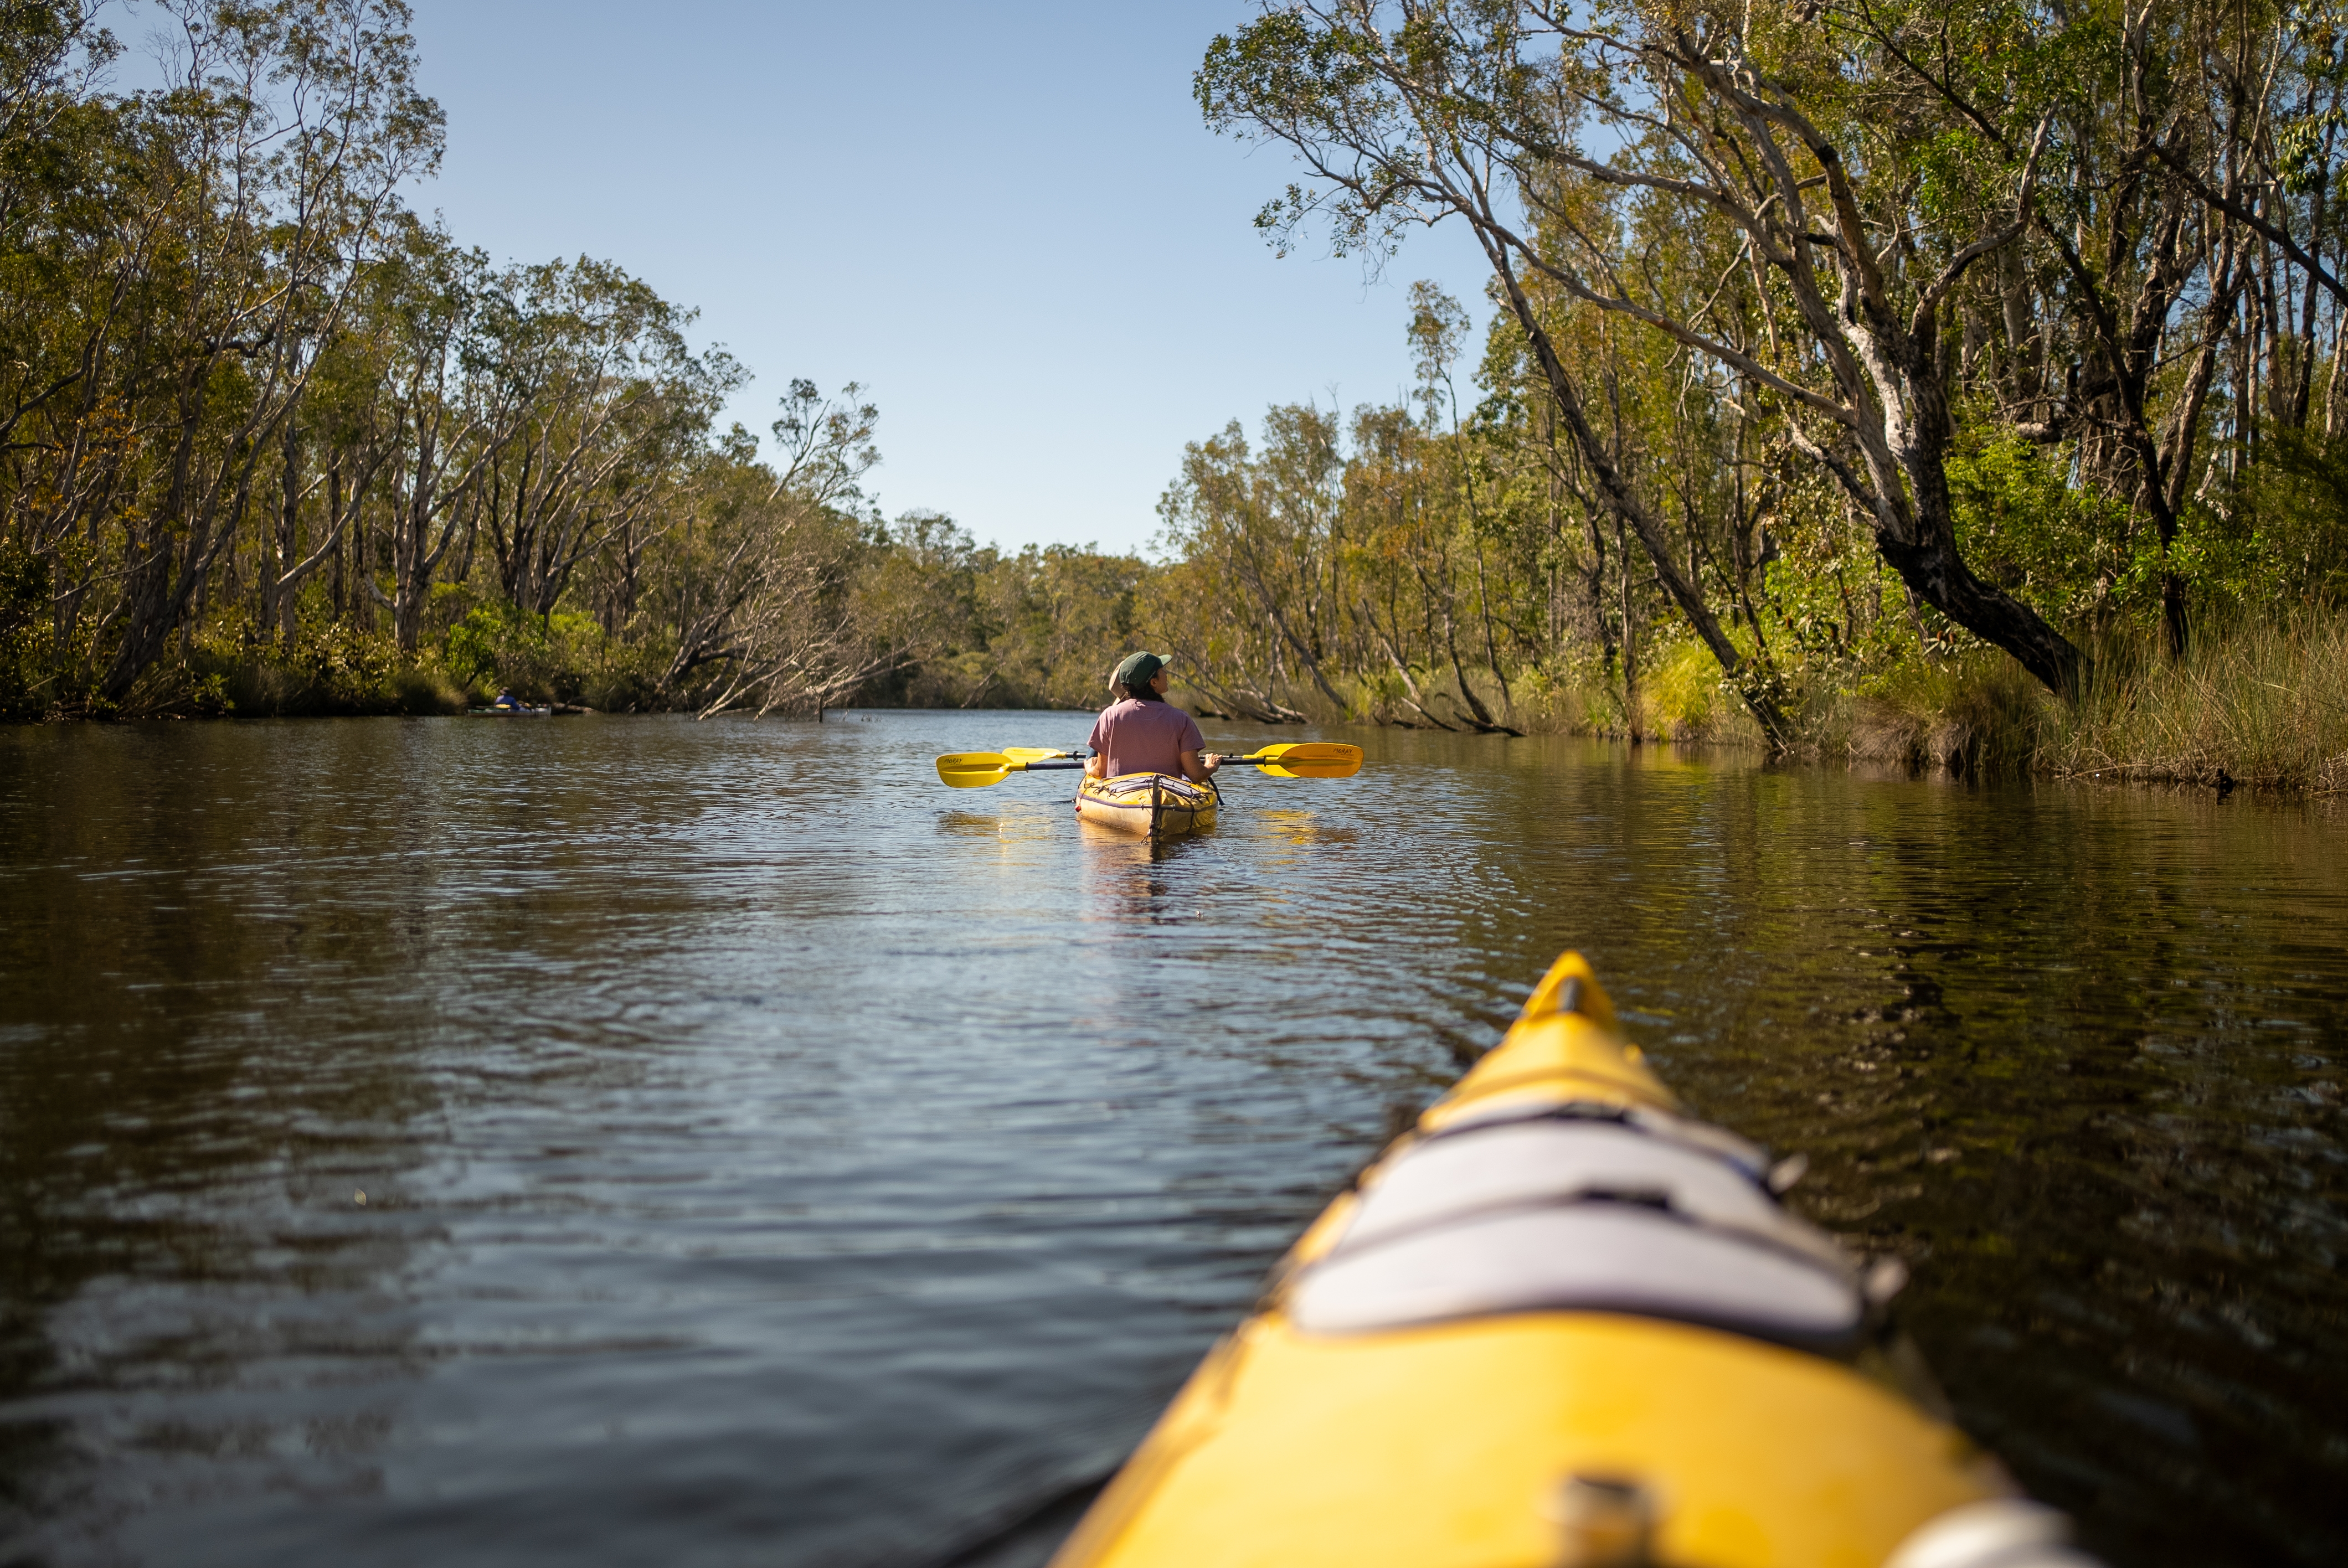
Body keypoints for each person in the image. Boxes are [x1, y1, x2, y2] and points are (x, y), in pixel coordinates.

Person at [1085, 652, 1221, 784]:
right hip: (1167, 794)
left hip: (1120, 794)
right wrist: (1211, 766)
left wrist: (1089, 767)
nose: (1166, 675)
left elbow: (1100, 772)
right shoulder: (1181, 719)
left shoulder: (1109, 715)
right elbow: (1196, 775)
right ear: (1154, 682)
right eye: (1163, 671)